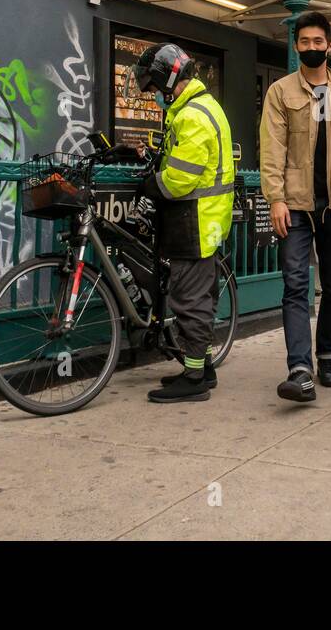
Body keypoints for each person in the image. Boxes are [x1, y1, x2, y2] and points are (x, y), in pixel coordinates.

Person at [260, 11, 331, 403]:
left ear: (330, 46)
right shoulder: (281, 92)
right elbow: (272, 149)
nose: (312, 48)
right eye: (305, 42)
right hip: (297, 206)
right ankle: (299, 367)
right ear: (296, 46)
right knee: (296, 284)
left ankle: (327, 355)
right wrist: (276, 199)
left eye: (319, 42)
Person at [134, 42, 235, 403]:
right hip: (203, 217)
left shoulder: (191, 115)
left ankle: (194, 379)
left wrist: (150, 184)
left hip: (193, 217)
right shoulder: (201, 107)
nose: (152, 97)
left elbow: (180, 178)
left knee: (189, 299)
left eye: (152, 89)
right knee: (197, 296)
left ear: (167, 80)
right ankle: (201, 367)